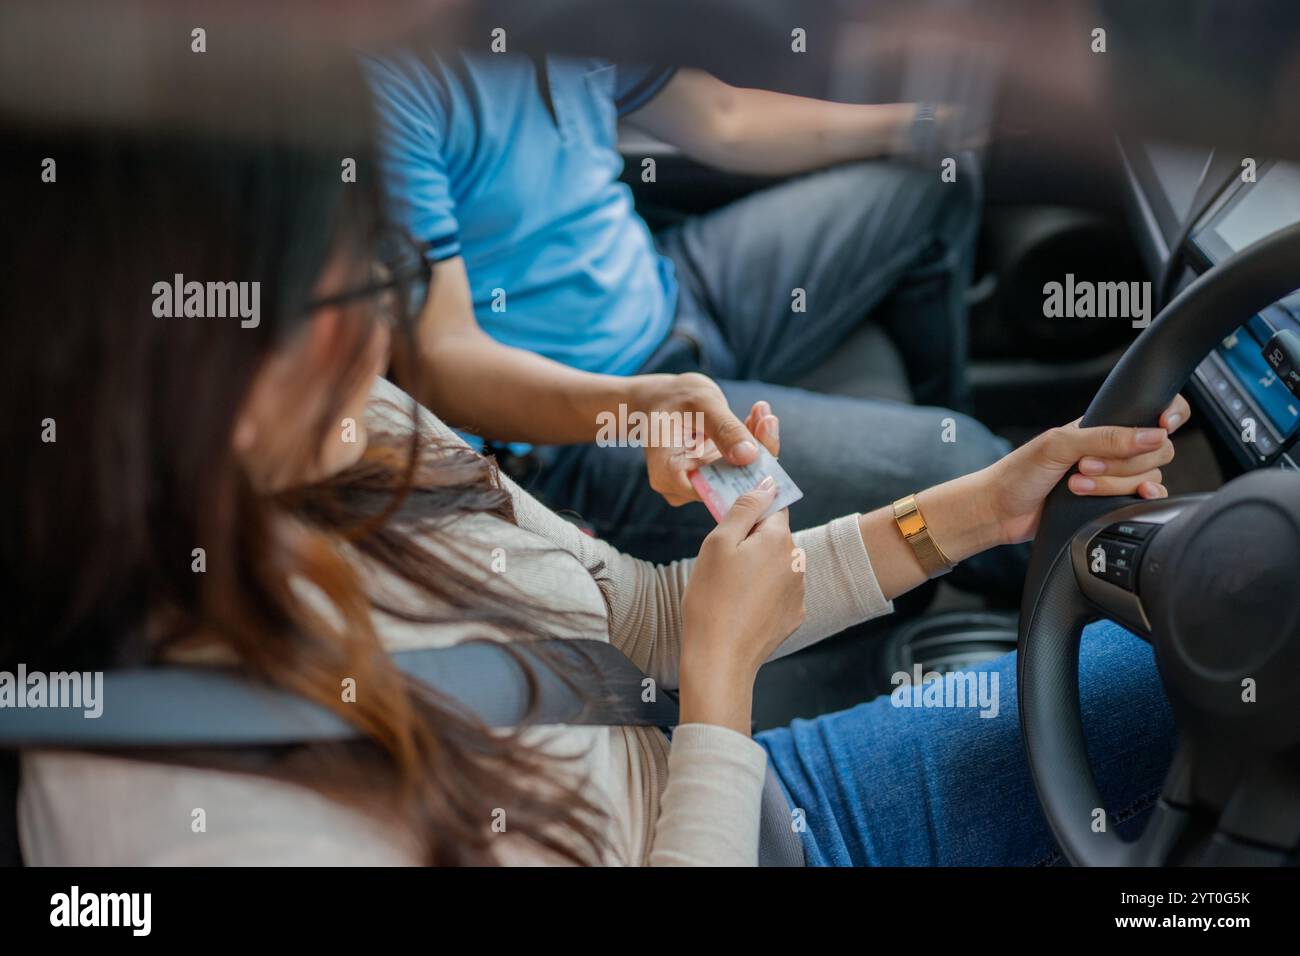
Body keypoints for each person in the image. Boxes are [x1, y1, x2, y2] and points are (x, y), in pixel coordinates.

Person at [5, 55, 1187, 866]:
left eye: (379, 269)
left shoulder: (357, 432)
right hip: (731, 801)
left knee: (1181, 668)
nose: (376, 336)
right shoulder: (180, 822)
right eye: (340, 293)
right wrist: (718, 693)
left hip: (748, 794)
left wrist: (974, 510)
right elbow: (690, 655)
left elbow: (636, 611)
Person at [366, 50, 1026, 588]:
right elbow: (440, 361)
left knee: (935, 177)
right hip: (583, 429)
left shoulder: (564, 19)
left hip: (672, 292)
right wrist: (642, 407)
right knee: (965, 460)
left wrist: (926, 123)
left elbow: (721, 118)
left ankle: (946, 475)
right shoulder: (391, 86)